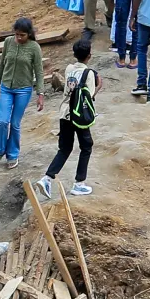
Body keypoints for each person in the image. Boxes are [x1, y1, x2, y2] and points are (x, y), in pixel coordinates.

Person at [40, 37, 101, 199]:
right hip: (79, 116)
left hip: (64, 113)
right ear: (89, 55)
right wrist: (98, 86)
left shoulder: (68, 69)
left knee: (65, 148)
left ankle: (47, 178)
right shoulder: (88, 74)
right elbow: (89, 96)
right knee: (86, 146)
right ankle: (79, 183)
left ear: (74, 54)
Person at [0, 17, 44, 168]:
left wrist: (41, 94)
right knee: (3, 121)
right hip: (6, 87)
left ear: (29, 34)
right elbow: (2, 64)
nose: (19, 38)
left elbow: (39, 72)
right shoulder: (8, 42)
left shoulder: (34, 48)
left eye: (22, 35)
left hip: (23, 90)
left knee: (14, 123)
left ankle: (13, 155)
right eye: (16, 34)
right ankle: (0, 150)